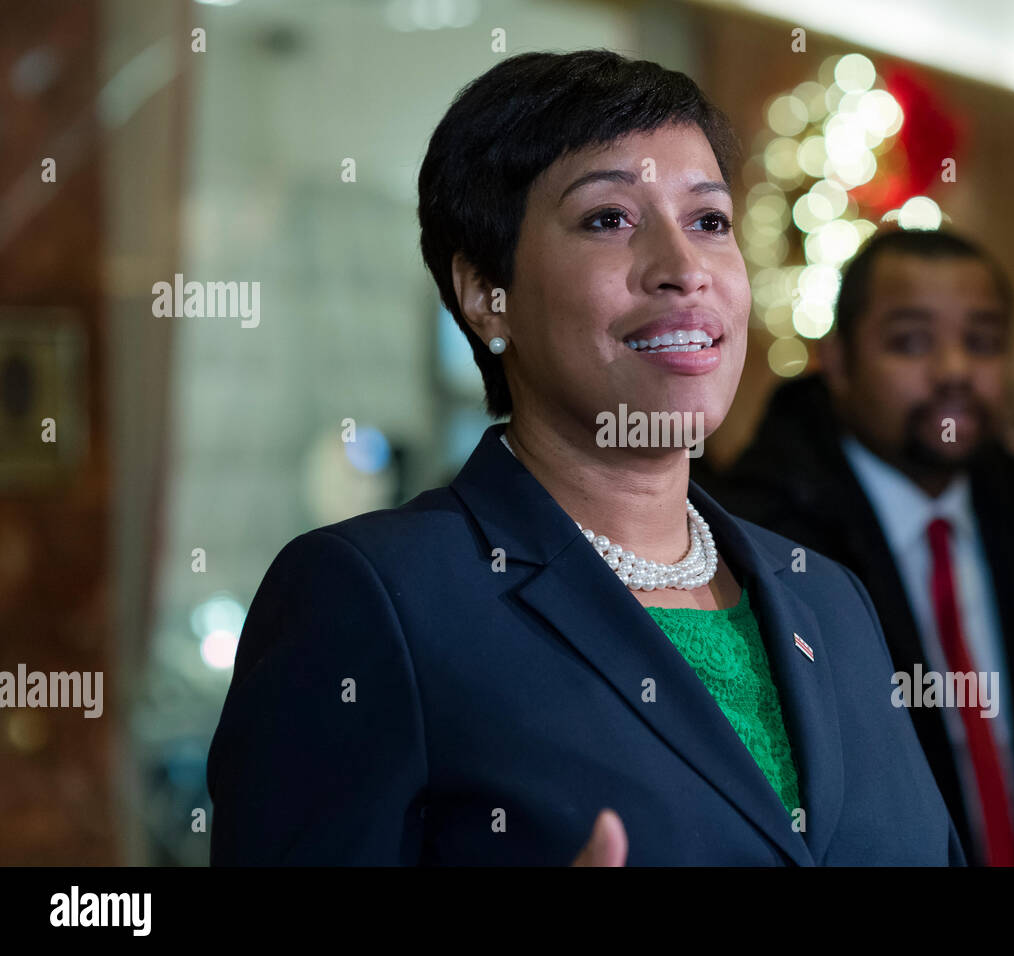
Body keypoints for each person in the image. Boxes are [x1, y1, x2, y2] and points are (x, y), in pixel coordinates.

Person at [205, 49, 964, 866]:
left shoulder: (832, 603)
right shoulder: (377, 599)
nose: (684, 271)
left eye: (709, 221)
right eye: (609, 219)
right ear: (483, 294)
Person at [702, 229, 1014, 866]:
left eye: (983, 343)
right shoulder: (762, 539)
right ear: (836, 359)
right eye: (910, 342)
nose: (955, 371)